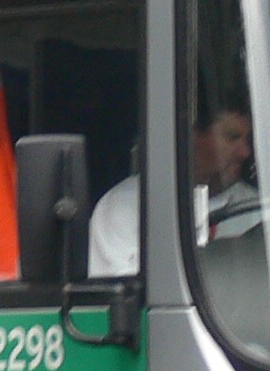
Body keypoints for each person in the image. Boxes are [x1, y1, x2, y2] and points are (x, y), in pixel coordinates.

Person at [89, 107, 258, 279]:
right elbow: (122, 296)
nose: (245, 152)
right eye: (232, 137)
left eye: (248, 140)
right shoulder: (125, 206)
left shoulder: (257, 208)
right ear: (191, 136)